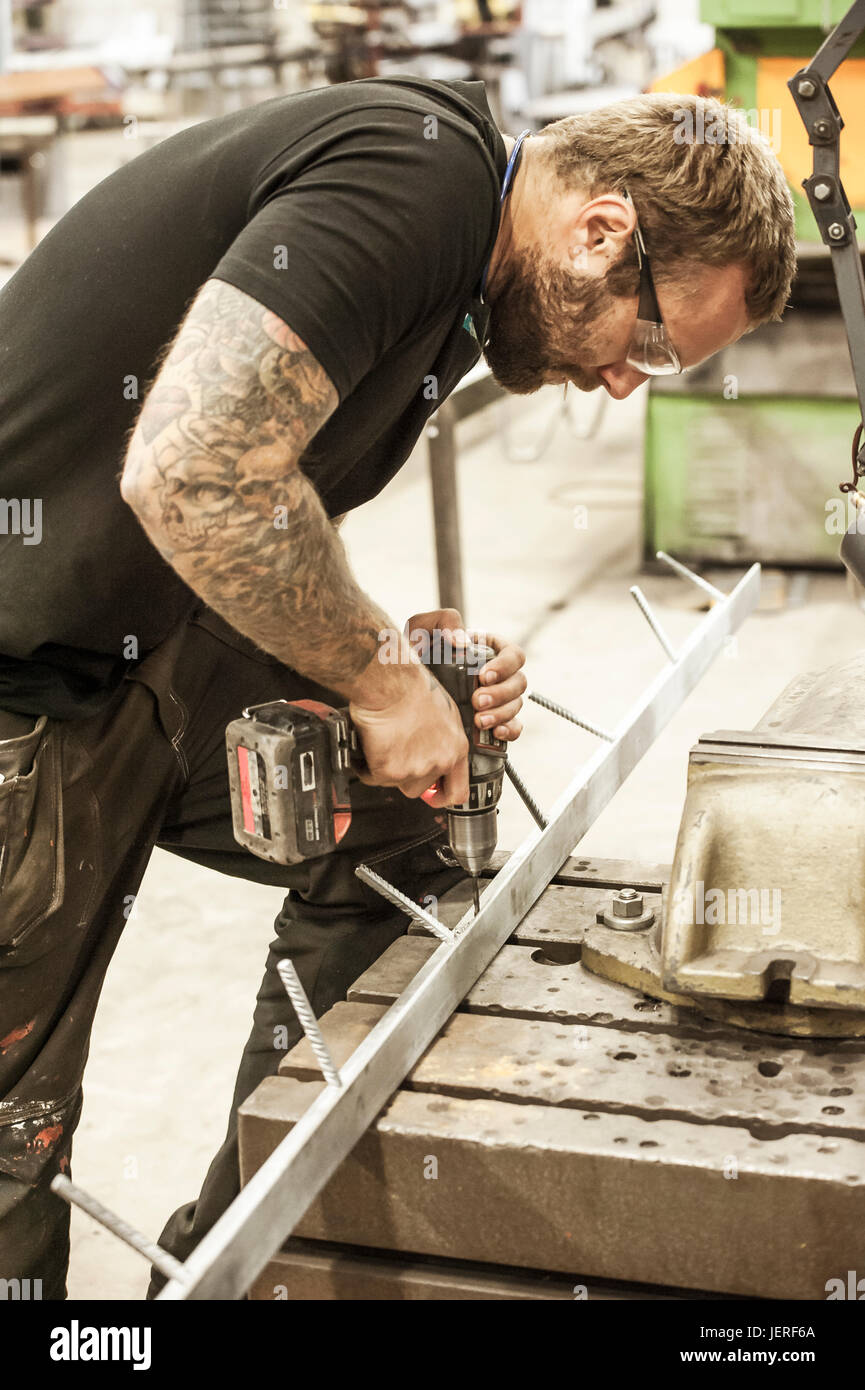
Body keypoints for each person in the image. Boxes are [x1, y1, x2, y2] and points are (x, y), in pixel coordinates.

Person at [0, 77, 795, 1298]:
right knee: (16, 1141)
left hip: (143, 645)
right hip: (25, 686)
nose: (626, 383)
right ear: (599, 232)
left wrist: (376, 646)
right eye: (645, 344)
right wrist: (372, 677)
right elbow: (197, 470)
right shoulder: (414, 178)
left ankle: (219, 1266)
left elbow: (259, 496)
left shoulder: (465, 267)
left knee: (404, 820)